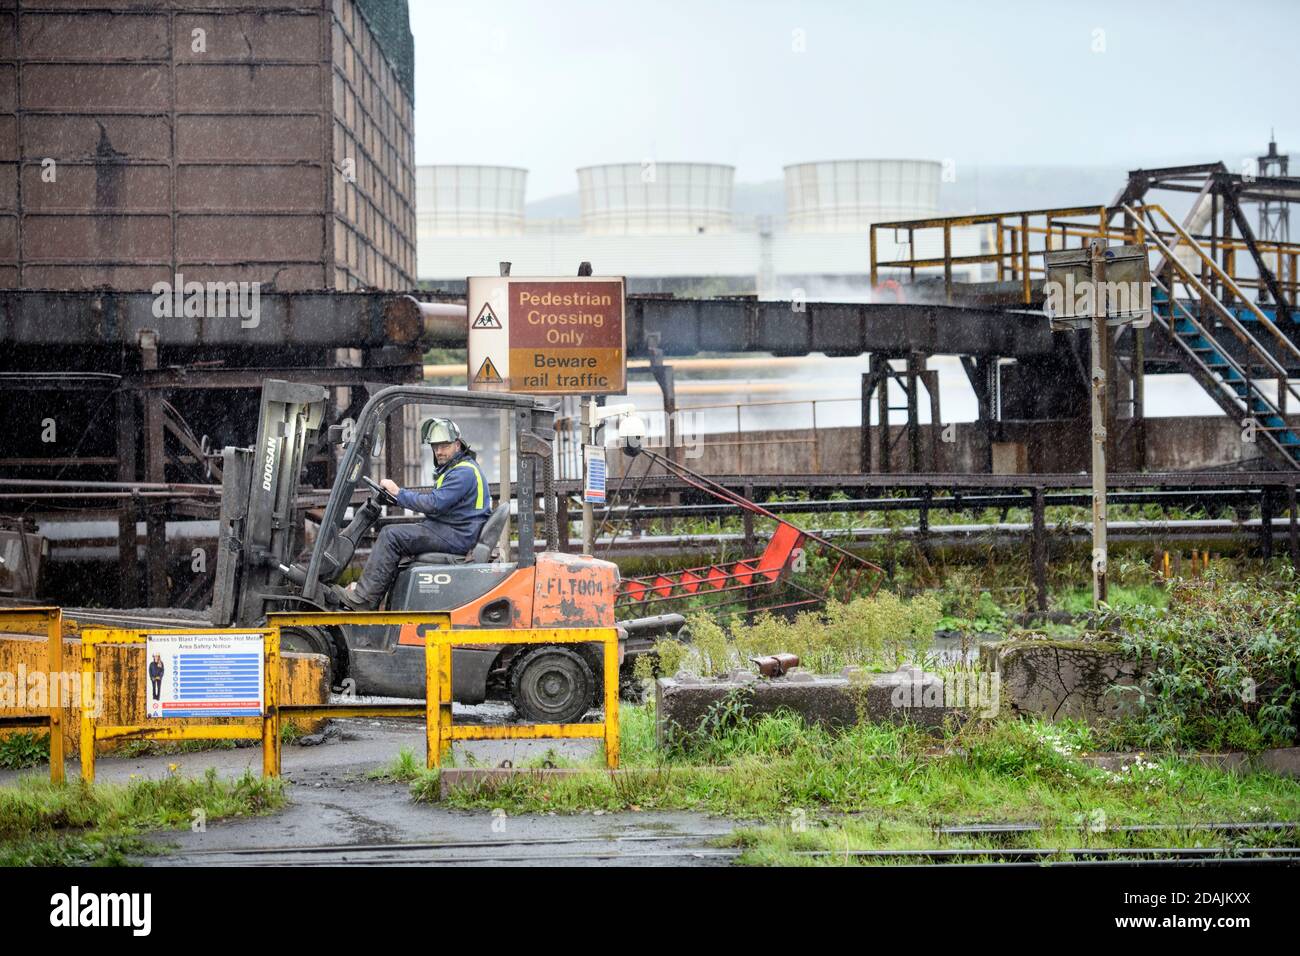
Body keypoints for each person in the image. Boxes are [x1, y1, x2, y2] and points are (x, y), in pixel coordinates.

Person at [331, 418, 492, 610]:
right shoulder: (458, 470)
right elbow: (437, 502)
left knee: (391, 535)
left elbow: (434, 504)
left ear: (457, 445)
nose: (439, 451)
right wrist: (398, 496)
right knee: (396, 534)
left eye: (444, 446)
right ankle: (376, 596)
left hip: (457, 534)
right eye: (435, 446)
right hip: (456, 530)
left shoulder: (463, 473)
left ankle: (364, 599)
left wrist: (399, 493)